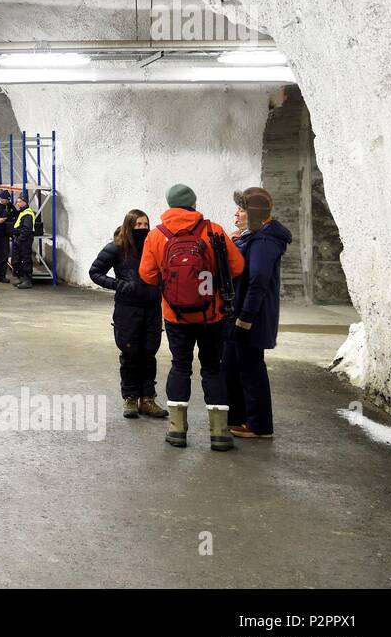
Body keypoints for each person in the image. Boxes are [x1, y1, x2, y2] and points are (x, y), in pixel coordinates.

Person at [139, 183, 245, 452]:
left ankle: (177, 430)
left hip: (175, 317)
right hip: (212, 315)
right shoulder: (214, 230)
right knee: (212, 368)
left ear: (170, 205)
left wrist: (171, 284)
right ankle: (220, 433)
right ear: (194, 204)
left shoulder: (157, 235)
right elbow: (237, 266)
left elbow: (147, 274)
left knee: (180, 366)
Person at [222, 187, 289, 440]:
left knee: (251, 369)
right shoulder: (255, 236)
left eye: (240, 209)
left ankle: (259, 426)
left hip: (252, 316)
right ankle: (237, 417)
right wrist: (239, 241)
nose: (236, 214)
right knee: (235, 364)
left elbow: (258, 279)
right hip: (244, 312)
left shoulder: (264, 241)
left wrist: (245, 318)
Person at [89, 209, 167, 419]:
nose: (142, 228)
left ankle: (148, 399)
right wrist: (119, 285)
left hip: (152, 308)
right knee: (130, 354)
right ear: (129, 225)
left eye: (145, 224)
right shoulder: (117, 247)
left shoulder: (155, 246)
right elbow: (95, 272)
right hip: (127, 309)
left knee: (149, 353)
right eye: (138, 225)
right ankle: (130, 398)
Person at [10, 192, 36, 289]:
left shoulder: (28, 214)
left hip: (24, 240)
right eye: (17, 202)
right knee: (15, 261)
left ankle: (27, 280)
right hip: (20, 239)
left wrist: (19, 239)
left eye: (20, 202)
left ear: (25, 202)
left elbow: (26, 229)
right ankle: (22, 278)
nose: (18, 204)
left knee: (25, 260)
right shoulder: (22, 212)